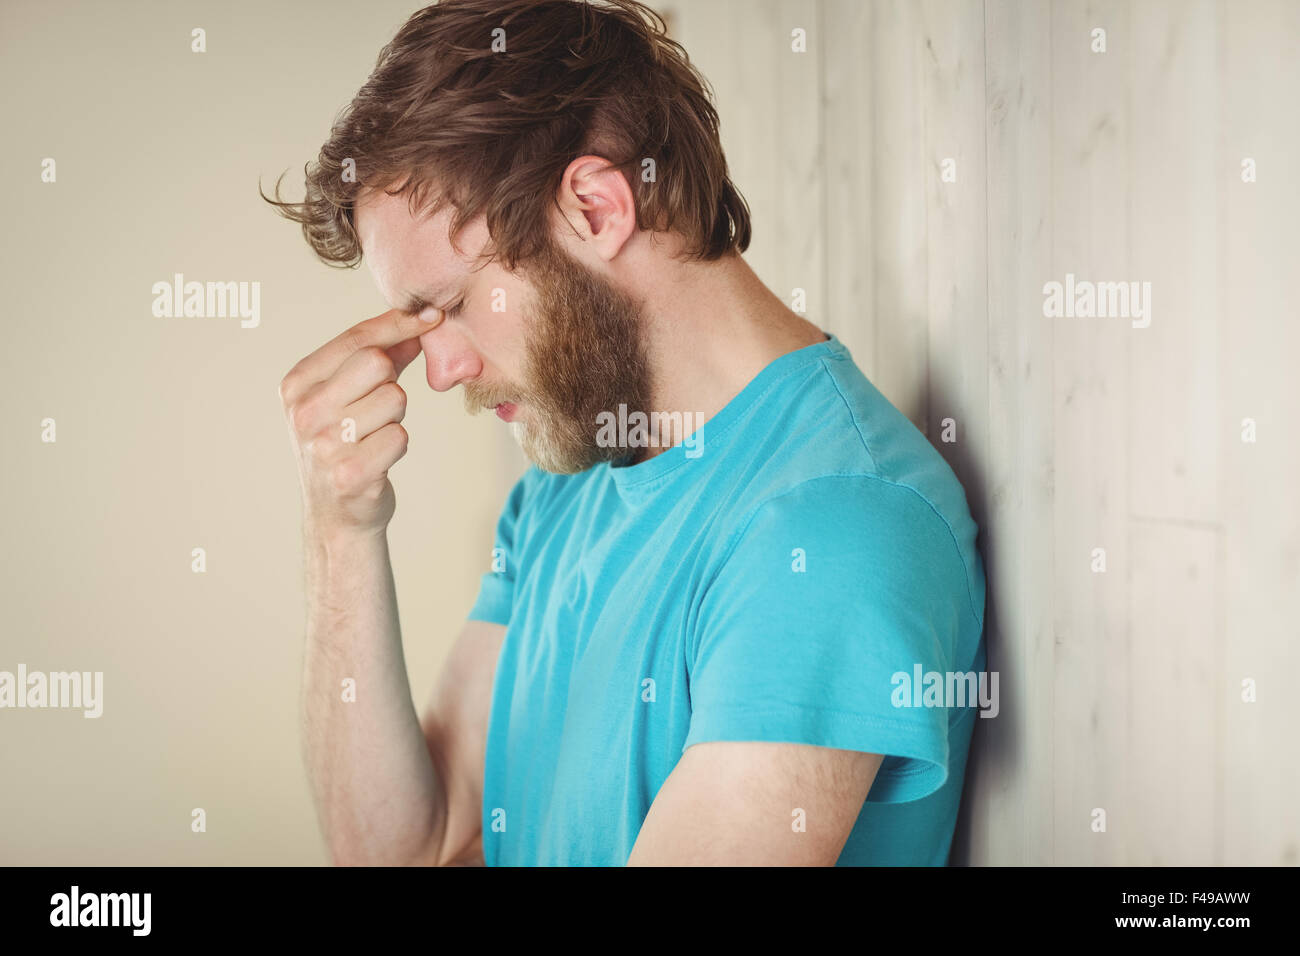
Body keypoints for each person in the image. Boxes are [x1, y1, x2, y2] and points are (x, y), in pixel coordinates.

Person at [267, 0, 986, 866]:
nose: (441, 368)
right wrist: (339, 528)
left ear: (597, 209)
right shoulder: (562, 487)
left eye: (452, 306)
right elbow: (413, 848)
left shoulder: (834, 529)